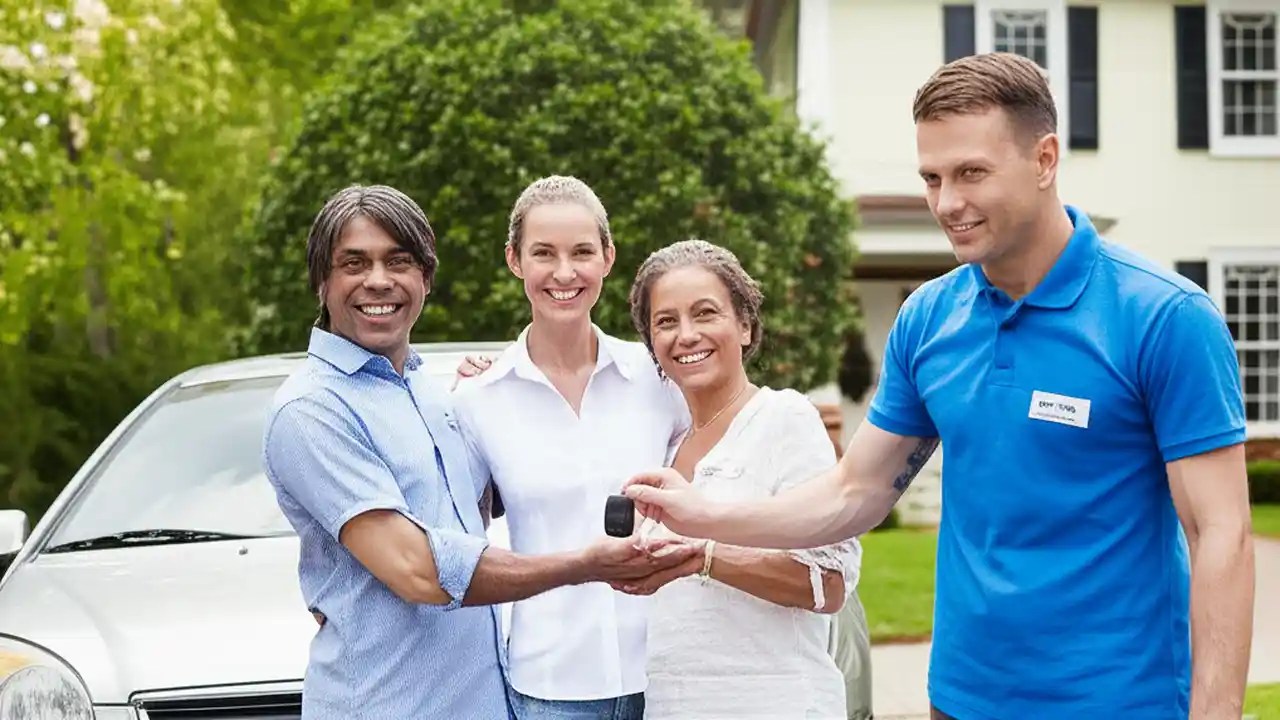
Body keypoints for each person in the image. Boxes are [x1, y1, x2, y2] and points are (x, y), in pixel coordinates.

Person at [624, 52, 1256, 720]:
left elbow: (1221, 533)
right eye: (932, 177)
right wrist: (705, 517)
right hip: (962, 698)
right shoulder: (929, 319)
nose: (947, 203)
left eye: (971, 173)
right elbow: (855, 491)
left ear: (1044, 160)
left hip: (1119, 699)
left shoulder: (1163, 317)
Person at [260, 184, 698, 720]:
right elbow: (415, 569)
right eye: (354, 263)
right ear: (321, 280)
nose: (378, 280)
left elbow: (474, 508)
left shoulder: (430, 391)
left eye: (398, 261)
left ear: (425, 277)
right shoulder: (311, 410)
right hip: (385, 704)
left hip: (489, 699)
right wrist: (583, 564)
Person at [449, 175, 693, 720]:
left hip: (671, 675)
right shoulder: (477, 399)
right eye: (544, 253)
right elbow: (459, 539)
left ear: (608, 257)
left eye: (582, 251)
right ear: (514, 260)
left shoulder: (659, 378)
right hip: (551, 686)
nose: (564, 273)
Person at [617, 239, 868, 719]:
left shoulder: (783, 418)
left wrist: (703, 557)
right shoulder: (664, 441)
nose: (685, 334)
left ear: (746, 325)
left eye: (705, 313)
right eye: (665, 322)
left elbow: (829, 582)